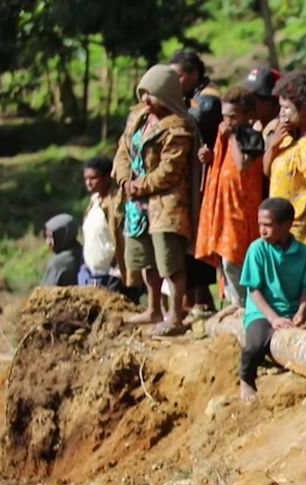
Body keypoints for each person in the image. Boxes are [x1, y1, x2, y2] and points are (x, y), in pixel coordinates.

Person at [113, 64, 197, 336]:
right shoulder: (137, 117)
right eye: (144, 93)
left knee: (170, 261)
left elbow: (170, 170)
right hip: (136, 201)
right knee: (147, 258)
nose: (146, 100)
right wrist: (126, 181)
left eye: (153, 94)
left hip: (166, 204)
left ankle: (175, 315)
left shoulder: (178, 128)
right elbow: (123, 151)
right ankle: (153, 308)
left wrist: (142, 185)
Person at [265, 70, 306, 331]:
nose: (281, 113)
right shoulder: (289, 140)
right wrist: (273, 145)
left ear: (302, 108)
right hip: (284, 233)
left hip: (304, 233)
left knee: (303, 299)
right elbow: (269, 172)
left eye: (285, 108)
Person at [238, 198, 306, 402]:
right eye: (260, 224)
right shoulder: (257, 249)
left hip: (292, 311)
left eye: (267, 225)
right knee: (255, 345)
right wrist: (273, 318)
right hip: (262, 311)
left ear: (286, 226)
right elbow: (254, 290)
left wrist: (300, 314)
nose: (262, 230)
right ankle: (246, 379)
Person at [195, 87, 266, 309]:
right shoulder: (224, 136)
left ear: (248, 116)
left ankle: (243, 306)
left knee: (234, 259)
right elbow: (222, 166)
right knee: (225, 262)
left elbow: (242, 165)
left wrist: (233, 136)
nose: (227, 121)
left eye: (233, 117)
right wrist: (210, 157)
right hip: (224, 211)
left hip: (242, 213)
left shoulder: (252, 137)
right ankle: (235, 303)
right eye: (224, 116)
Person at [170, 48, 220, 320]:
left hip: (206, 183)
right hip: (196, 181)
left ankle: (201, 301)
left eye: (178, 76)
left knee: (199, 240)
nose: (175, 82)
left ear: (193, 74)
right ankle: (195, 299)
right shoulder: (193, 98)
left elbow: (193, 125)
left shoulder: (207, 103)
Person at [78, 156, 128, 292]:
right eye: (86, 179)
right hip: (92, 277)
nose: (88, 183)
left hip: (114, 276)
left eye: (93, 178)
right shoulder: (93, 202)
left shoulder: (117, 203)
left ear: (107, 177)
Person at [242, 66, 282, 144]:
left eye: (257, 97)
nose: (249, 103)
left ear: (275, 100)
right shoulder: (252, 126)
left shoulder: (281, 131)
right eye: (247, 97)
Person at [41, 213, 82, 287]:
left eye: (51, 237)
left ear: (62, 236)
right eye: (46, 237)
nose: (48, 242)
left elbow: (43, 294)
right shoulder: (85, 253)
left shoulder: (57, 264)